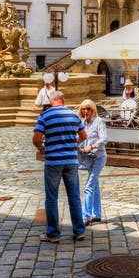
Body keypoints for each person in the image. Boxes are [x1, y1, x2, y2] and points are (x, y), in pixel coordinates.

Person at [32, 90, 87, 243]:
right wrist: (73, 144)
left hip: (53, 161)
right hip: (71, 161)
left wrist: (42, 149)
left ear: (51, 101)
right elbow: (84, 136)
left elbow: (36, 139)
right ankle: (79, 231)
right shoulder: (74, 115)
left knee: (51, 197)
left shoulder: (45, 116)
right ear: (63, 100)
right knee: (74, 196)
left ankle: (53, 234)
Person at [78, 99, 108, 225]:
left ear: (93, 110)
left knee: (89, 186)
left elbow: (104, 139)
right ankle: (96, 214)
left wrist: (92, 146)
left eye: (88, 109)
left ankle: (85, 216)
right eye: (83, 109)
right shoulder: (82, 123)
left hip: (99, 158)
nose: (86, 111)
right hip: (88, 158)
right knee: (94, 185)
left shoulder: (99, 121)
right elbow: (79, 138)